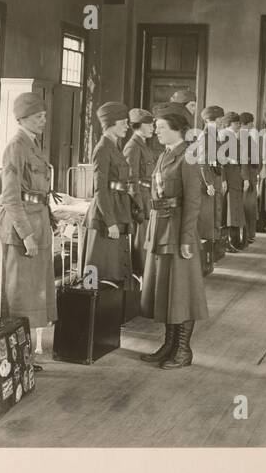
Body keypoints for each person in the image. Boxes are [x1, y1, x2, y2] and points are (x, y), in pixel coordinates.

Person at [139, 108, 209, 369]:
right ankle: (169, 344)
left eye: (161, 127)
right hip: (162, 229)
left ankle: (183, 350)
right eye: (156, 127)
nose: (156, 131)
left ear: (178, 129)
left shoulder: (188, 157)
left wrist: (187, 240)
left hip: (179, 232)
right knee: (167, 290)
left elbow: (192, 202)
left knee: (183, 292)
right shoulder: (165, 155)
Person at [0, 91, 57, 361]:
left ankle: (23, 357)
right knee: (18, 297)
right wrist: (27, 235)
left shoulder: (32, 145)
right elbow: (10, 197)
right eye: (39, 117)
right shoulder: (16, 147)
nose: (43, 121)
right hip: (22, 230)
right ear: (24, 118)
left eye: (44, 116)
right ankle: (14, 359)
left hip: (37, 221)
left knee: (31, 294)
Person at [82, 101, 135, 285]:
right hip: (105, 215)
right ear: (111, 124)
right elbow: (100, 189)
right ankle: (93, 309)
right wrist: (110, 222)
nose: (127, 127)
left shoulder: (114, 146)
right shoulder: (103, 148)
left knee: (113, 267)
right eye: (123, 123)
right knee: (98, 269)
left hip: (116, 208)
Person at [187, 105, 224, 275]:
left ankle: (209, 261)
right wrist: (209, 183)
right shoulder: (206, 136)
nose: (222, 122)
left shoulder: (213, 135)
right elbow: (202, 162)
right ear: (216, 120)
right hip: (206, 184)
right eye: (220, 119)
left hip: (214, 179)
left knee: (212, 220)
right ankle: (202, 263)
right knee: (205, 222)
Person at [124, 107, 158, 259]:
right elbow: (131, 181)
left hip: (148, 197)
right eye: (149, 124)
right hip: (141, 201)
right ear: (138, 125)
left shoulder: (143, 145)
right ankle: (142, 277)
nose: (153, 128)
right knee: (142, 241)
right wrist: (138, 207)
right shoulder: (133, 147)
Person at [220, 111, 247, 252]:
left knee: (234, 210)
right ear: (229, 123)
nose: (239, 125)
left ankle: (234, 241)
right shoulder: (225, 136)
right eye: (237, 123)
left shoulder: (233, 136)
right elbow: (221, 161)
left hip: (235, 177)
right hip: (229, 177)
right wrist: (223, 179)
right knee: (229, 211)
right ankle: (228, 242)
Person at [239, 111, 260, 244]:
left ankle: (248, 234)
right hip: (248, 177)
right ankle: (248, 235)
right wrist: (246, 178)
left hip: (248, 175)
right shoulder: (245, 138)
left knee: (248, 206)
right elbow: (245, 161)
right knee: (248, 207)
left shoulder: (245, 137)